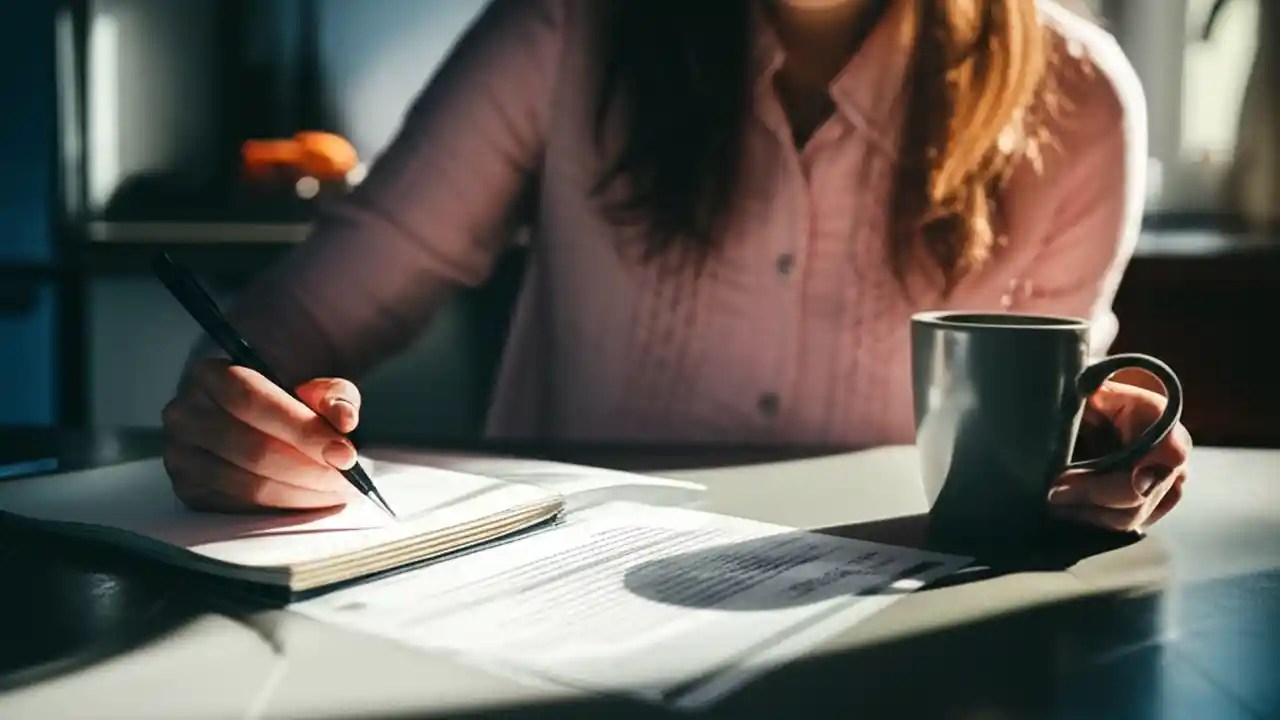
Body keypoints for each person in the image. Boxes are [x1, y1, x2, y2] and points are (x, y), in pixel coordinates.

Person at [161, 0, 1191, 532]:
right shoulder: (567, 28)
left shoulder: (1078, 96)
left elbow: (1049, 432)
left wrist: (1098, 457)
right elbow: (333, 297)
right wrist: (235, 414)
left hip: (883, 624)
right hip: (547, 625)